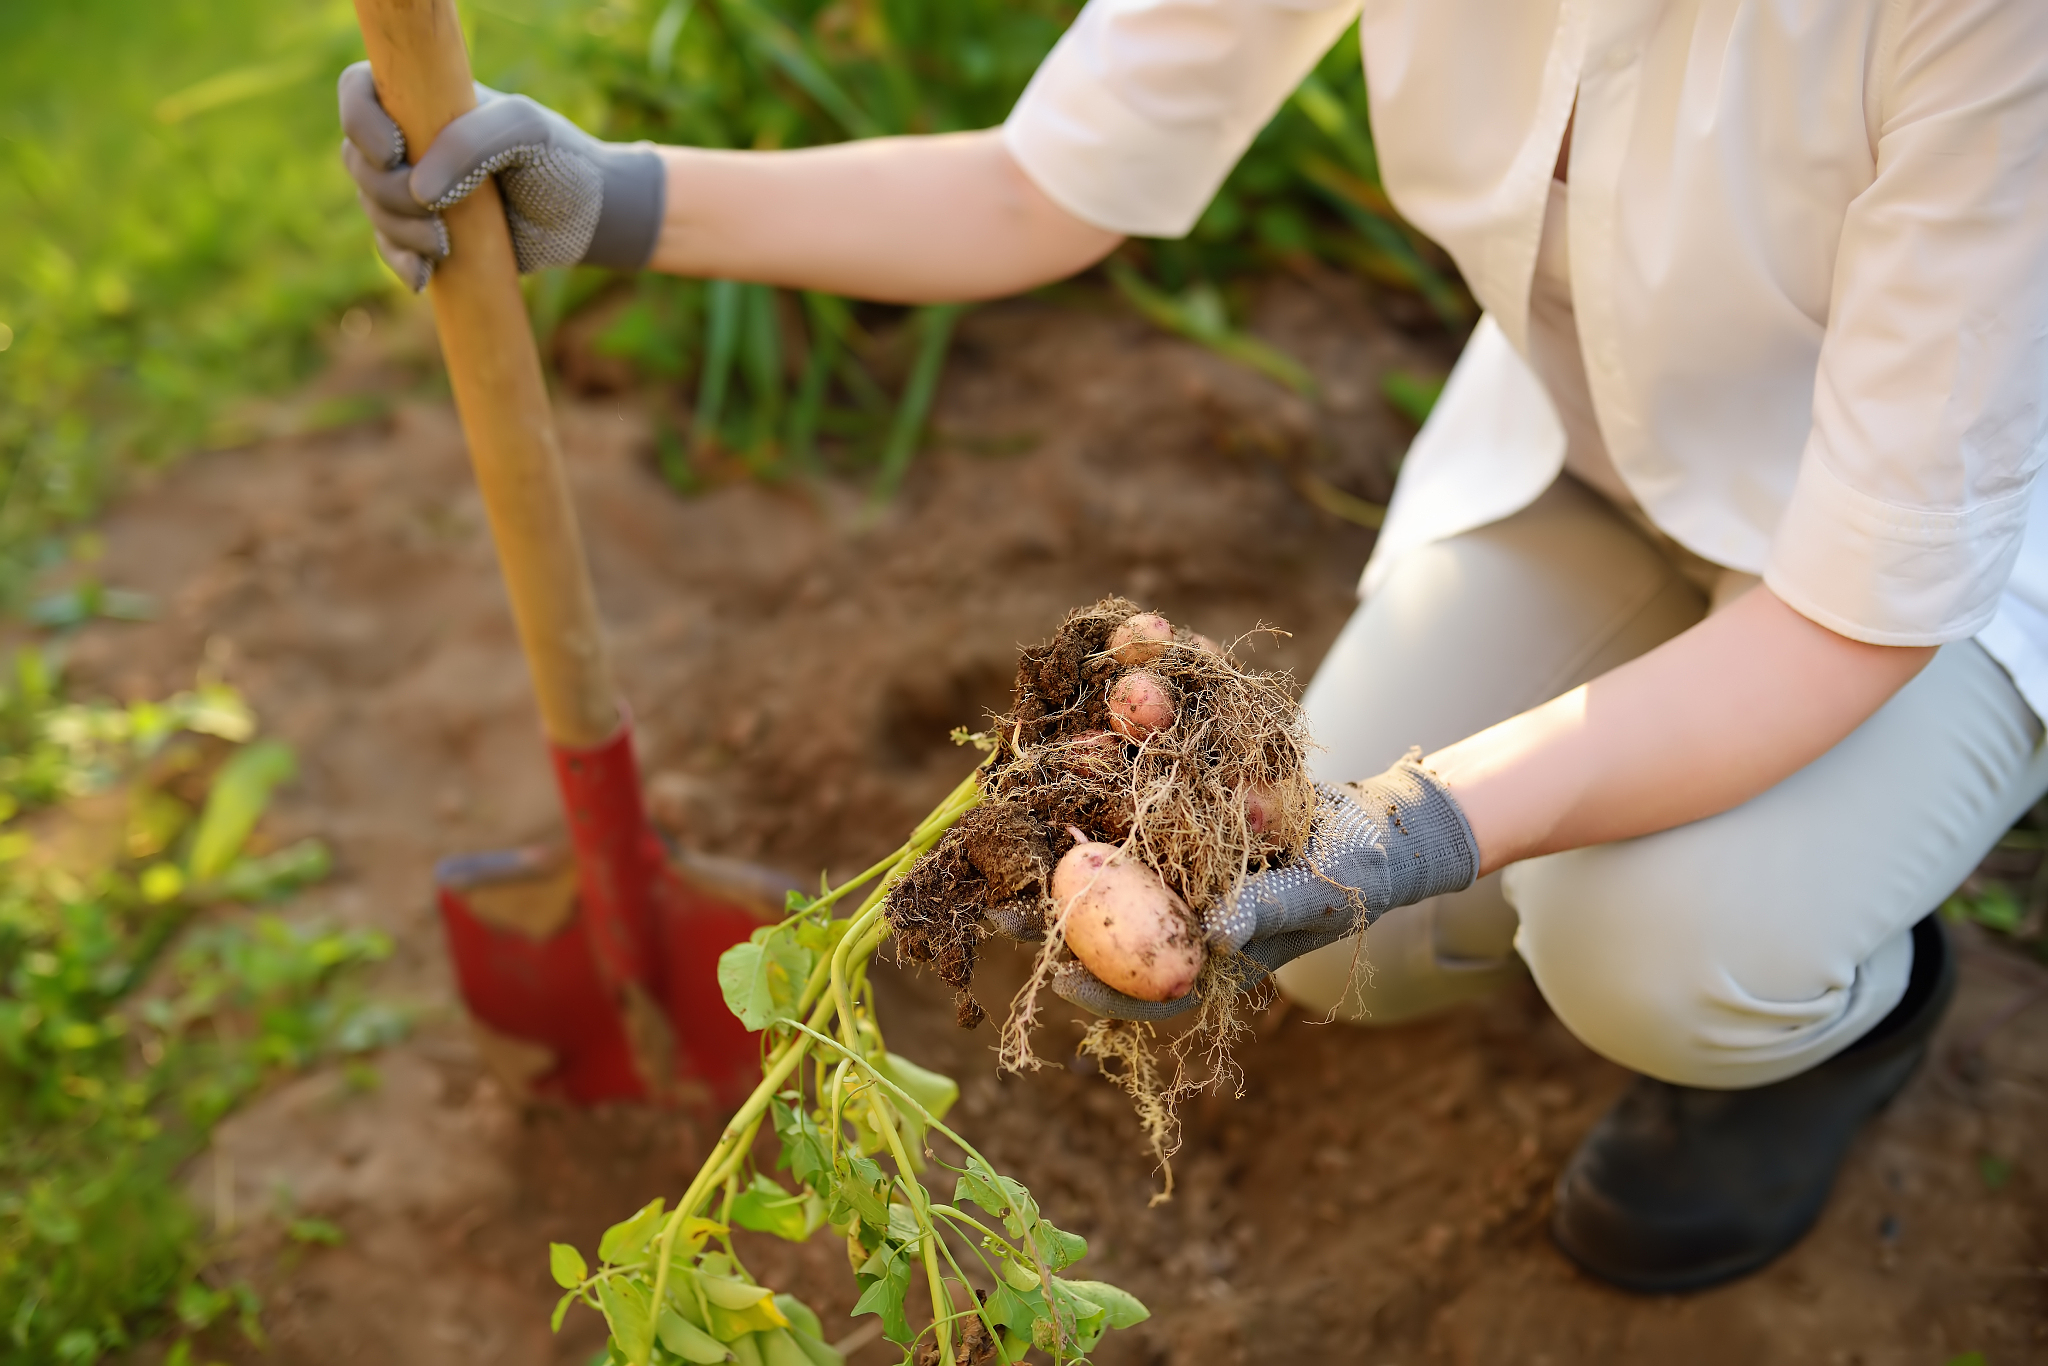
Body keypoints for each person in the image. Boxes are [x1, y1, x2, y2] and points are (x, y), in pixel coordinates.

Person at [339, 0, 2048, 1293]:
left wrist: (1425, 825)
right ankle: (1651, 838)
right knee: (1340, 952)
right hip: (1592, 460)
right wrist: (613, 199)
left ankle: (1835, 1010)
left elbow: (1844, 613)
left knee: (1654, 947)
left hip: (1917, 577)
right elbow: (1039, 186)